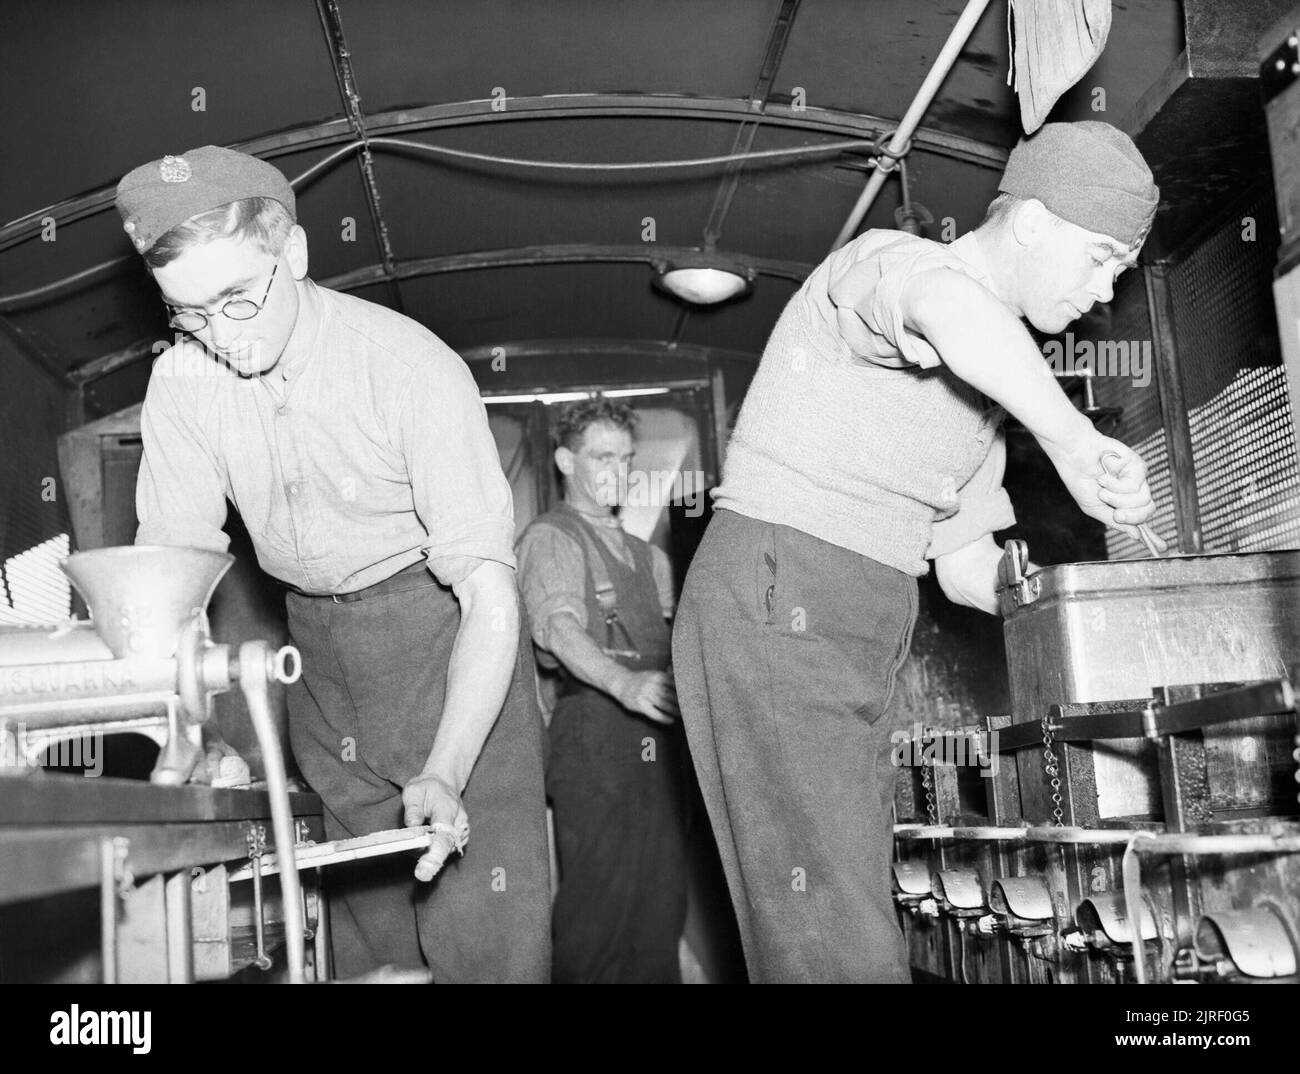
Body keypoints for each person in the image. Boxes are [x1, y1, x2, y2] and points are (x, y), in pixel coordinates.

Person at [671, 121, 1163, 983]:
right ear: (1033, 221)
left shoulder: (984, 405)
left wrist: (1071, 600)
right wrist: (1077, 443)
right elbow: (947, 306)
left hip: (859, 628)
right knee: (830, 932)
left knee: (845, 912)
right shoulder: (893, 261)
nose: (1106, 292)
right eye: (1099, 258)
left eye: (1121, 271)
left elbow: (966, 565)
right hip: (780, 593)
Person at [115, 145, 550, 982]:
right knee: (367, 945)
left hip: (447, 641)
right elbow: (173, 567)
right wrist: (187, 733)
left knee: (487, 937)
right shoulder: (183, 380)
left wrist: (447, 769)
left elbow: (491, 597)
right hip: (319, 658)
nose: (219, 337)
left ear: (296, 254)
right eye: (187, 313)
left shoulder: (409, 367)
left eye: (236, 299)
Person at [516, 399, 689, 982]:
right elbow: (555, 628)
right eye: (602, 456)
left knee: (659, 911)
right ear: (566, 460)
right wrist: (625, 683)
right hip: (593, 738)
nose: (619, 469)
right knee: (598, 915)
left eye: (626, 457)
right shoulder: (550, 537)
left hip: (657, 747)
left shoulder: (650, 557)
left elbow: (679, 640)